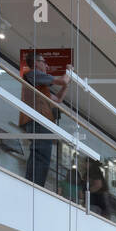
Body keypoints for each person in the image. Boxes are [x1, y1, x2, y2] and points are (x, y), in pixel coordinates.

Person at [19, 59, 70, 187]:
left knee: (40, 154)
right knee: (42, 154)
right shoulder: (32, 74)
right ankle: (35, 184)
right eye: (44, 62)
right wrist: (69, 72)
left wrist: (67, 84)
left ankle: (34, 183)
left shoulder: (40, 86)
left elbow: (57, 99)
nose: (47, 65)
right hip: (38, 120)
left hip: (39, 120)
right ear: (36, 63)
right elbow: (62, 80)